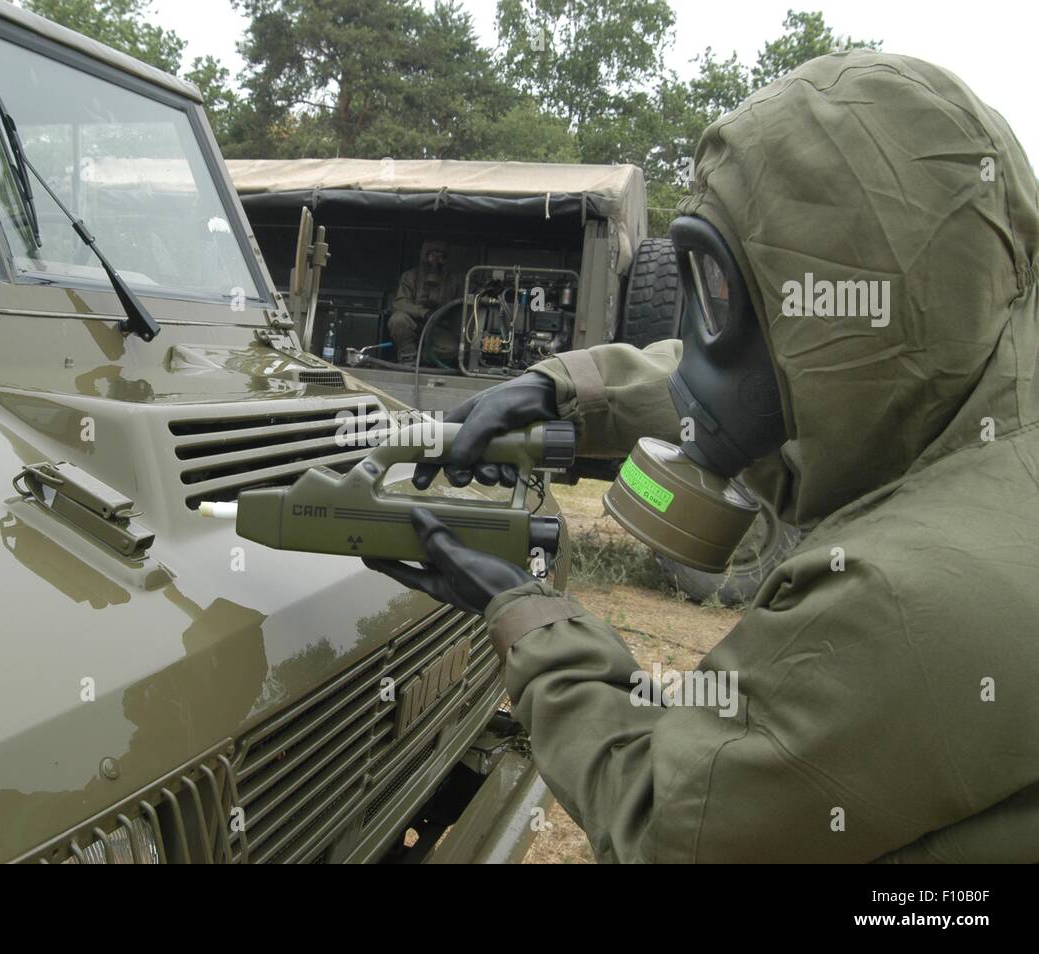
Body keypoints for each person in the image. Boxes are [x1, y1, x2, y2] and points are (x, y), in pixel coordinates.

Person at [366, 50, 1039, 862]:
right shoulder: (978, 355)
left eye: (726, 290)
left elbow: (667, 824)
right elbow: (805, 368)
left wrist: (531, 616)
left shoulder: (897, 599)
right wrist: (574, 386)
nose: (699, 342)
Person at [387, 239, 463, 364]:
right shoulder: (410, 276)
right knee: (398, 319)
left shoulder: (455, 280)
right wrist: (423, 312)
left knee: (453, 350)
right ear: (424, 256)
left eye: (440, 256)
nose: (435, 261)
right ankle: (408, 357)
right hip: (413, 322)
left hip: (438, 327)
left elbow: (460, 307)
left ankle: (422, 359)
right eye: (432, 255)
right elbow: (399, 303)